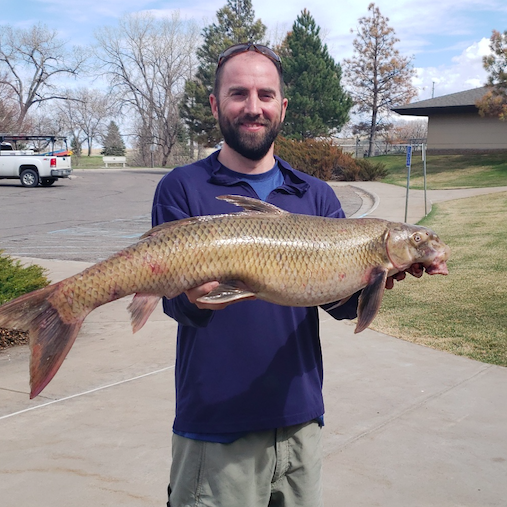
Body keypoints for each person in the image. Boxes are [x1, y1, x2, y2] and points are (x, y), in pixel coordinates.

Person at [152, 42, 405, 507]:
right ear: (215, 104)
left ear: (282, 107)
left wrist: (374, 281)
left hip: (300, 421)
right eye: (238, 94)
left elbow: (333, 303)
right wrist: (198, 297)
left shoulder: (316, 196)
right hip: (215, 426)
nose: (254, 108)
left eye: (266, 95)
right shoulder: (182, 187)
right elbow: (175, 305)